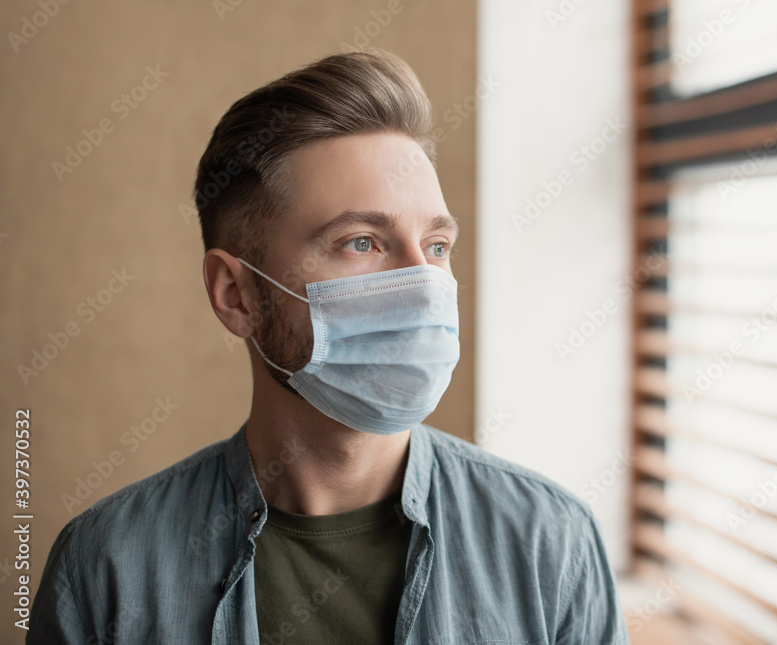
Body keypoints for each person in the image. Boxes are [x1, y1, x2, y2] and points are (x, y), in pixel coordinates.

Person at [28, 49, 629, 644]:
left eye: (436, 246)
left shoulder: (551, 546)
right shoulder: (106, 569)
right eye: (362, 242)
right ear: (237, 295)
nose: (423, 286)